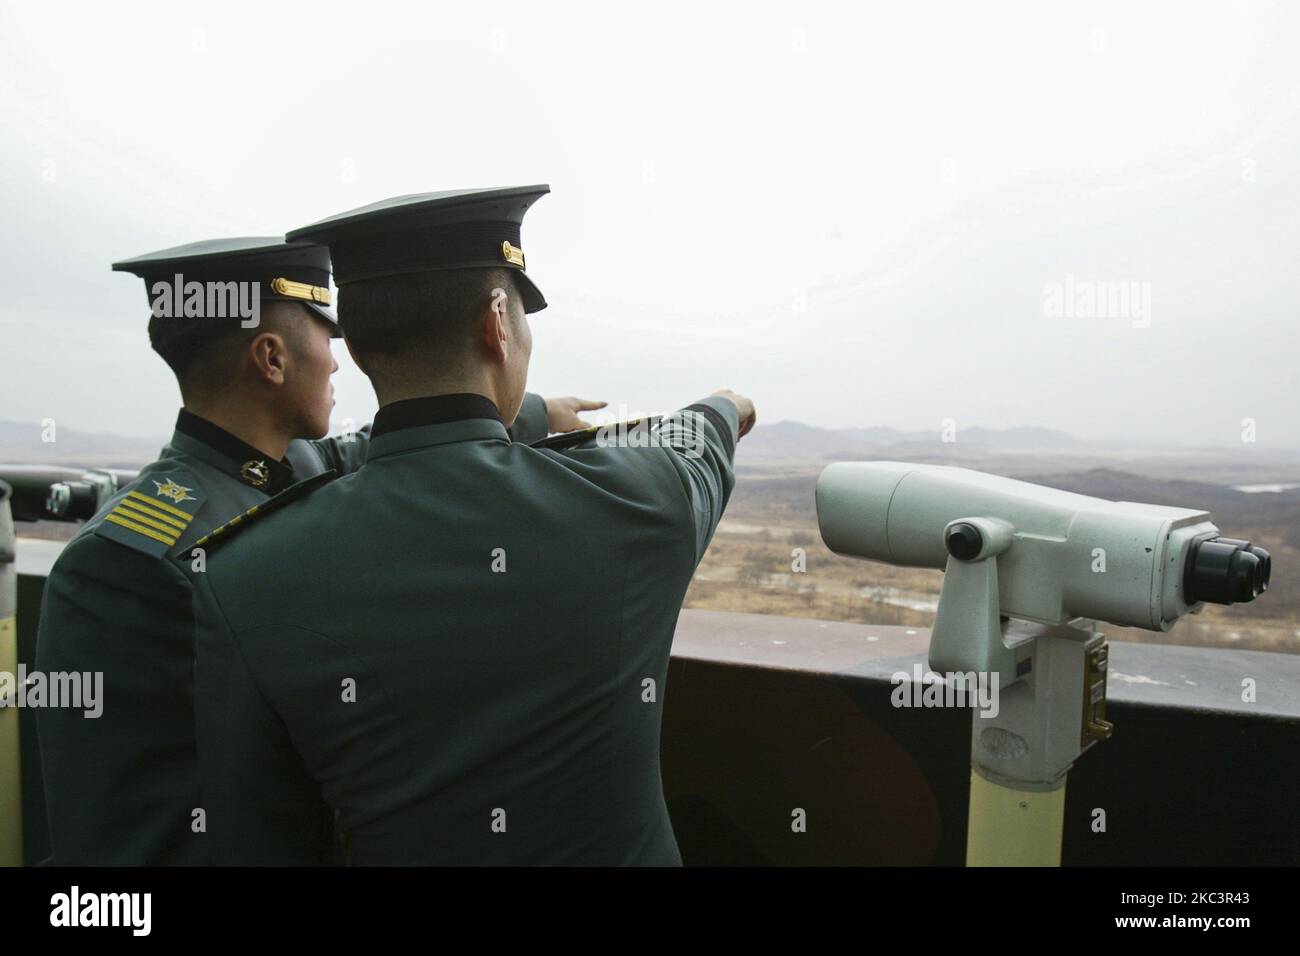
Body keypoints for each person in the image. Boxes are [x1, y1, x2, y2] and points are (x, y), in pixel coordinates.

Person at [191, 185, 757, 864]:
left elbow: (259, 843)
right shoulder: (640, 499)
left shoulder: (243, 572)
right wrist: (729, 401)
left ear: (364, 348)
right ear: (496, 320)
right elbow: (700, 435)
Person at [35, 236, 599, 865]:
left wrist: (537, 413)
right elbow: (121, 837)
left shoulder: (286, 463)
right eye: (324, 337)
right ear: (271, 359)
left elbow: (368, 448)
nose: (336, 363)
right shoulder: (127, 562)